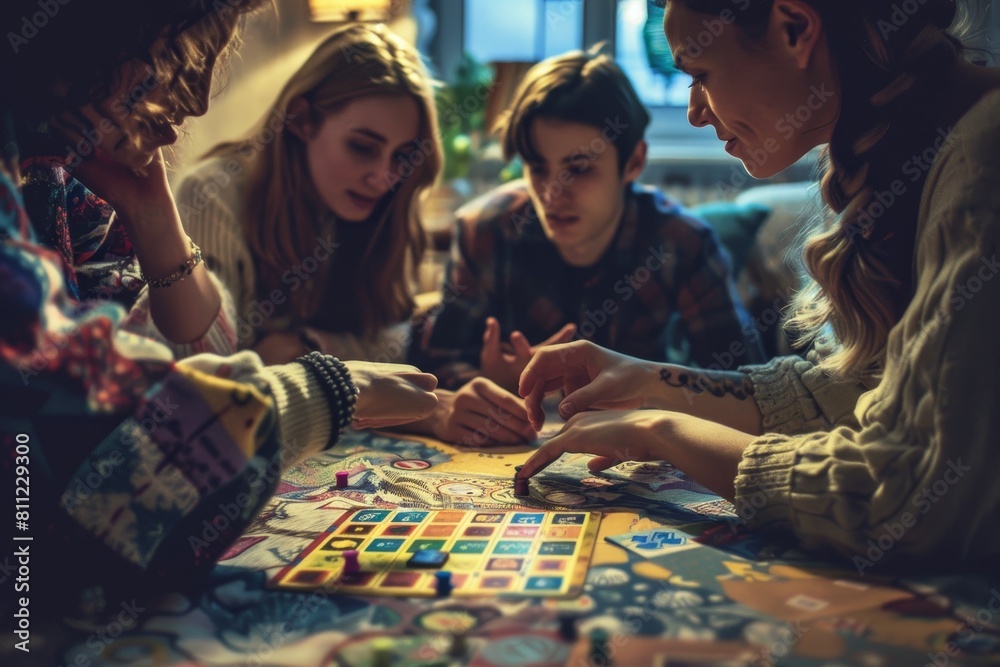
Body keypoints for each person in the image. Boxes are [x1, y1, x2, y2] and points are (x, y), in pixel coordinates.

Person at [515, 0, 1000, 569]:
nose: (695, 112)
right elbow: (851, 395)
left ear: (795, 28)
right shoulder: (939, 143)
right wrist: (651, 379)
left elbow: (907, 498)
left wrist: (662, 429)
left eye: (700, 74)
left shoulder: (981, 165)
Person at [0, 0, 437, 617]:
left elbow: (191, 365)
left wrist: (152, 208)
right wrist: (327, 388)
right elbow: (105, 461)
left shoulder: (61, 178)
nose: (200, 100)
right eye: (182, 48)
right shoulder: (210, 189)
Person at [174, 24, 536, 447]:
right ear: (302, 119)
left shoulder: (386, 205)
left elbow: (390, 345)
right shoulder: (212, 195)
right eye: (363, 147)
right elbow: (215, 385)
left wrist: (302, 347)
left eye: (402, 156)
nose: (384, 177)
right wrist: (423, 405)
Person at [410, 47, 764, 400]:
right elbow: (436, 365)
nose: (551, 194)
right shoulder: (485, 229)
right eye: (537, 166)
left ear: (633, 162)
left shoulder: (681, 242)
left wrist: (645, 387)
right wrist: (491, 383)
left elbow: (741, 384)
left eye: (579, 169)